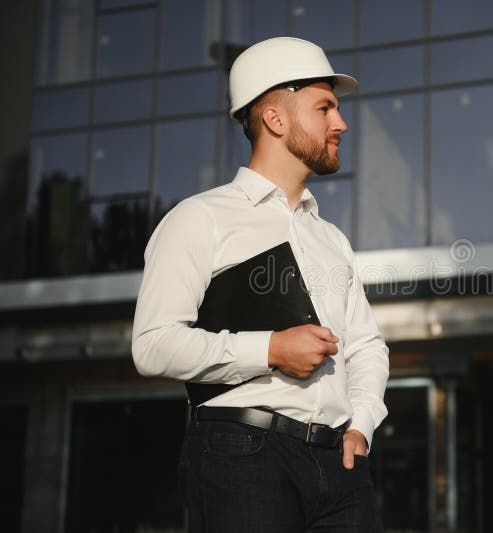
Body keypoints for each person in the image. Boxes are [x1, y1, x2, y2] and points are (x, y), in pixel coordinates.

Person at [131, 36, 389, 532]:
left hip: (341, 463)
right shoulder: (199, 218)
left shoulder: (332, 238)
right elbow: (152, 345)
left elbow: (368, 347)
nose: (341, 123)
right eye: (325, 107)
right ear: (275, 119)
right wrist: (270, 348)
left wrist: (361, 425)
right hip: (242, 457)